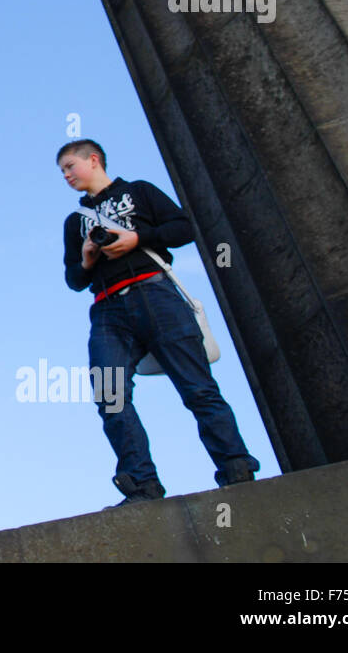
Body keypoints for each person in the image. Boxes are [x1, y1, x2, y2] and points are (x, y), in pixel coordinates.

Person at [57, 138, 261, 507]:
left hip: (155, 294)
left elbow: (183, 228)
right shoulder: (75, 222)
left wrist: (137, 237)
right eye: (62, 172)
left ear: (94, 159)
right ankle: (142, 486)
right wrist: (88, 259)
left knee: (197, 386)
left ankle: (236, 470)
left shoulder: (140, 191)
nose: (66, 175)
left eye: (70, 166)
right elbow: (73, 280)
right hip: (106, 310)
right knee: (110, 396)